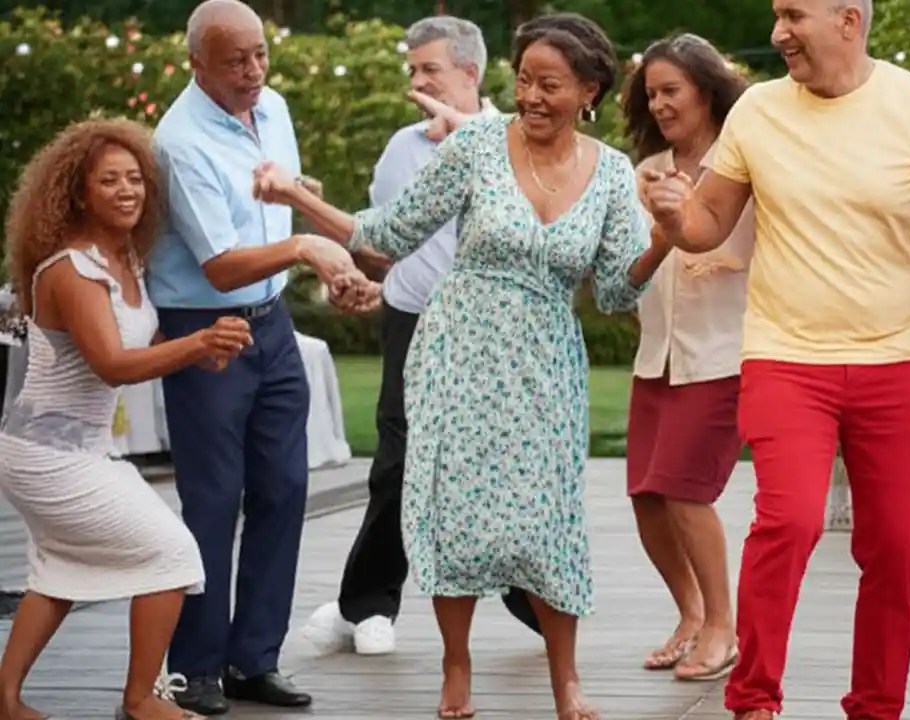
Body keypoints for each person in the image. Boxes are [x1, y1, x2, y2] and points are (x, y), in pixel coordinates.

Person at [253, 13, 669, 719]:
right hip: (459, 349)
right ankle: (456, 666)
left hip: (545, 360)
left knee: (550, 517)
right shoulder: (477, 143)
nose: (532, 97)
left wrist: (662, 240)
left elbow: (615, 289)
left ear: (590, 90)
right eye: (525, 81)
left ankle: (566, 681)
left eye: (551, 85)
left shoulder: (612, 175)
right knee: (457, 510)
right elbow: (388, 232)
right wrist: (298, 198)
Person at [641, 0, 910, 716]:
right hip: (787, 355)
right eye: (777, 15)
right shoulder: (758, 113)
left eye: (793, 15)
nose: (778, 31)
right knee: (789, 522)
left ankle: (876, 706)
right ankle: (754, 698)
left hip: (900, 360)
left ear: (849, 20)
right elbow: (709, 221)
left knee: (901, 548)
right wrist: (672, 217)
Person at [302, 13, 543, 659]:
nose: (416, 82)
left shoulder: (518, 144)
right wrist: (359, 281)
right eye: (412, 69)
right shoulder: (402, 149)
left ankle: (533, 600)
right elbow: (384, 245)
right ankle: (368, 606)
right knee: (399, 466)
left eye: (428, 69)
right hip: (412, 320)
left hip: (492, 330)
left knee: (495, 471)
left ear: (469, 73)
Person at [0, 119, 254, 720]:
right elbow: (112, 364)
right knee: (173, 555)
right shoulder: (72, 269)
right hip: (45, 451)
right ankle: (142, 699)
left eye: (135, 178)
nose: (126, 190)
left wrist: (204, 350)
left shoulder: (125, 259)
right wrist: (194, 347)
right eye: (108, 180)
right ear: (79, 193)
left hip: (77, 449)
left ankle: (6, 700)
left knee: (60, 571)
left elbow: (147, 340)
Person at [146, 0, 359, 714]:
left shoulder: (275, 109)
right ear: (196, 64)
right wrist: (305, 246)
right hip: (204, 330)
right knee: (212, 500)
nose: (253, 71)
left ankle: (253, 660)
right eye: (235, 60)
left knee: (284, 490)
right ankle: (196, 668)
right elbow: (221, 265)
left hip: (271, 326)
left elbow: (273, 209)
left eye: (260, 54)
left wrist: (313, 237)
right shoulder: (179, 142)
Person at [620, 33, 752, 682]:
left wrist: (688, 227)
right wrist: (659, 239)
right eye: (652, 94)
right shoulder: (646, 171)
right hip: (659, 354)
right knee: (647, 495)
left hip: (725, 351)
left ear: (706, 88)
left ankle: (725, 629)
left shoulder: (747, 161)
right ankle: (692, 613)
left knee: (685, 492)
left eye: (672, 90)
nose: (661, 103)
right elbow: (630, 274)